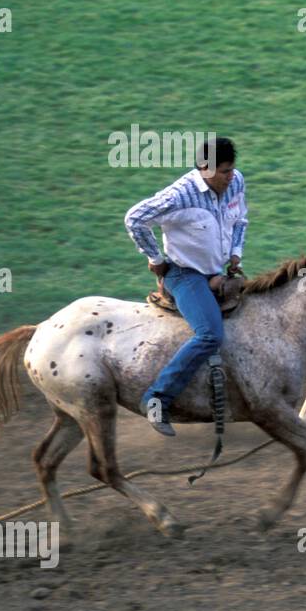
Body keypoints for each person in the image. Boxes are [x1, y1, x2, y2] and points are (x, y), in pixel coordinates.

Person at [124, 137, 246, 436]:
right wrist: (155, 258)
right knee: (210, 334)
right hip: (184, 275)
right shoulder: (180, 195)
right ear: (205, 168)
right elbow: (135, 218)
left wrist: (235, 254)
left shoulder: (236, 181)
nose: (230, 177)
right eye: (224, 171)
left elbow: (240, 219)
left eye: (232, 170)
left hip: (217, 271)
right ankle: (157, 398)